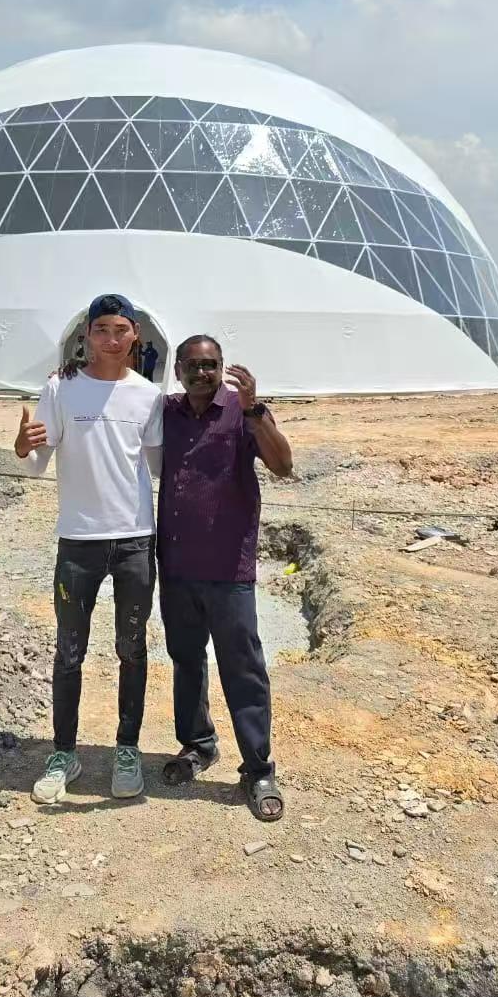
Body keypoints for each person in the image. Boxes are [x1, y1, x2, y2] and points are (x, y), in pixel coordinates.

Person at [14, 294, 163, 805]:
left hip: (134, 539)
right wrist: (22, 445)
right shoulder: (60, 388)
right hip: (78, 541)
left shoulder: (148, 396)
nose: (111, 339)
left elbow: (159, 466)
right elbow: (36, 457)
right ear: (87, 335)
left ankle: (127, 749)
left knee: (132, 648)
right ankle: (63, 753)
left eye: (121, 330)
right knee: (69, 651)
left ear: (135, 335)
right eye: (102, 330)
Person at [157, 335, 293, 822]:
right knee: (186, 660)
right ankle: (198, 744)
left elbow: (283, 465)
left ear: (222, 368)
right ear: (178, 370)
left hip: (228, 570)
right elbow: (115, 400)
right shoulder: (167, 411)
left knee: (243, 667)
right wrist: (72, 372)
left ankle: (258, 767)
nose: (202, 373)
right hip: (176, 567)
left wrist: (255, 409)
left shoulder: (241, 411)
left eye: (210, 364)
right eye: (192, 365)